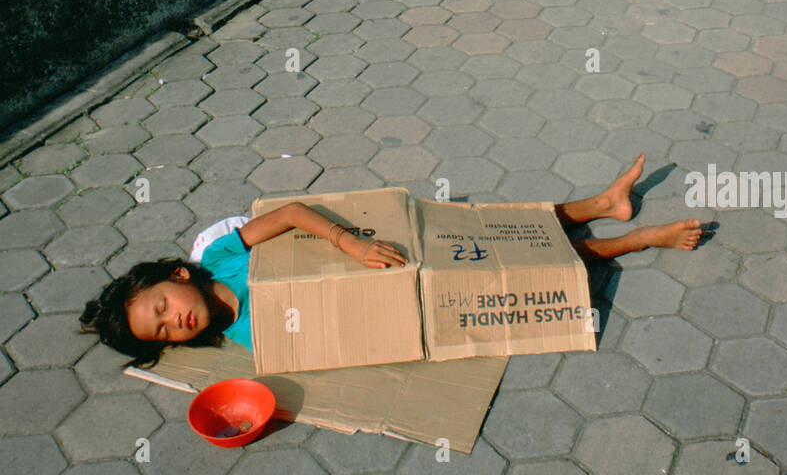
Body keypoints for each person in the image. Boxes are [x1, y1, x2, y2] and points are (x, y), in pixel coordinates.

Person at [79, 155, 707, 366]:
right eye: (161, 331)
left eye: (163, 306)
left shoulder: (219, 255)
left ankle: (601, 202)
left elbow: (292, 212)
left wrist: (347, 242)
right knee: (511, 261)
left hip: (385, 245)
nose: (174, 322)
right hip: (405, 293)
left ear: (178, 275)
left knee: (491, 229)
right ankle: (635, 240)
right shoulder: (246, 339)